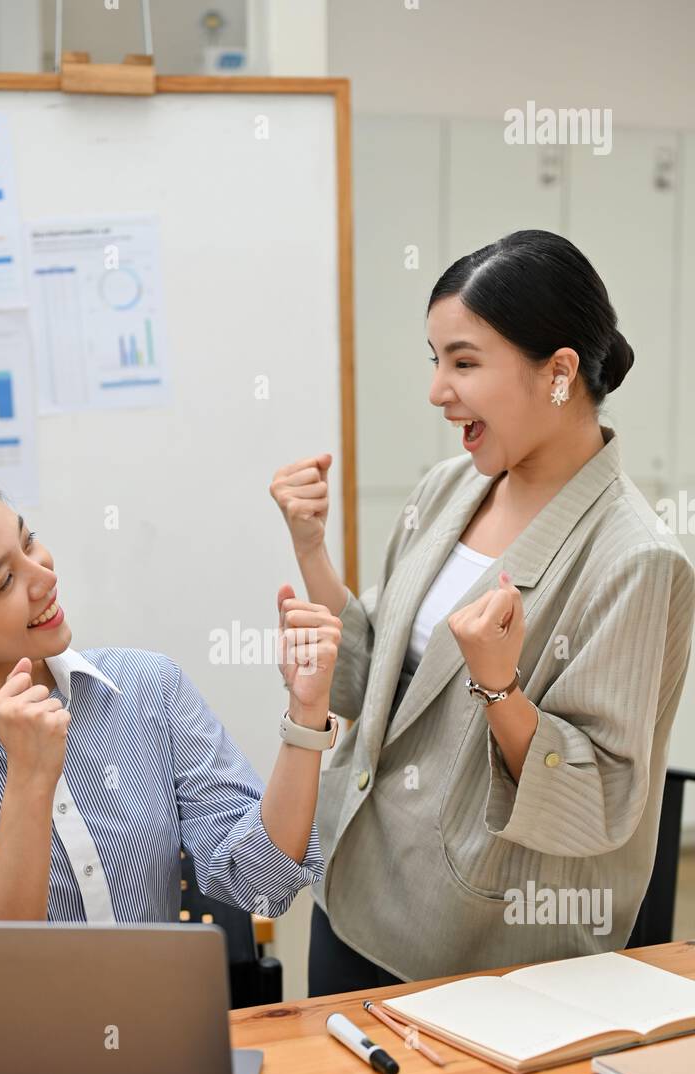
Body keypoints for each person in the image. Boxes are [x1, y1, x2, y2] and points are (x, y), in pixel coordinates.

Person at [271, 229, 695, 995]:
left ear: (560, 373)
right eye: (436, 361)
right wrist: (313, 554)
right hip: (356, 889)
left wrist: (501, 688)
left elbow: (600, 800)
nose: (438, 391)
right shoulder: (448, 488)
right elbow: (383, 683)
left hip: (480, 947)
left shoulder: (638, 560)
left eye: (464, 362)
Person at [0, 476, 342, 926]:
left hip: (159, 1032)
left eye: (29, 541)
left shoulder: (147, 688)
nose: (46, 576)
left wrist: (306, 711)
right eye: (6, 579)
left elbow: (263, 882)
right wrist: (30, 777)